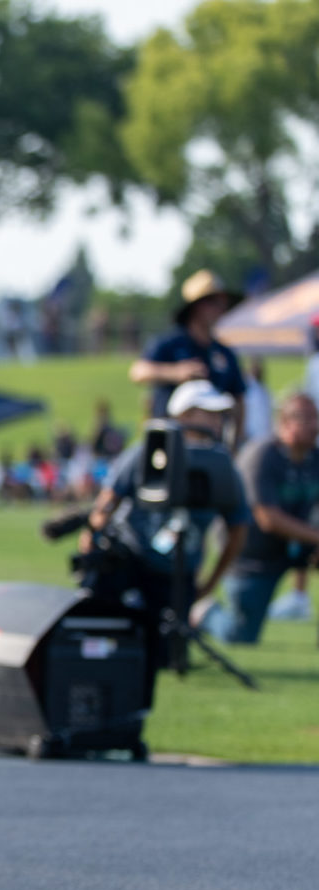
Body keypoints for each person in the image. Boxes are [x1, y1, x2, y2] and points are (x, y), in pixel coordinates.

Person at [81, 379, 251, 670]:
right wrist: (90, 543)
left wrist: (210, 582)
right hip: (132, 556)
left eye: (219, 414)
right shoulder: (145, 451)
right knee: (102, 627)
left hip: (178, 572)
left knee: (164, 657)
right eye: (208, 413)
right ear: (183, 415)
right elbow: (107, 503)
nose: (216, 421)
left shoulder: (221, 465)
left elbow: (238, 527)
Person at [199, 393, 319, 644]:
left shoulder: (315, 458)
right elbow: (267, 518)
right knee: (240, 635)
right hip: (252, 556)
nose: (315, 425)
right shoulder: (262, 455)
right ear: (285, 423)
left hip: (294, 548)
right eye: (306, 418)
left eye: (315, 417)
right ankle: (204, 612)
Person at [130, 269, 247, 446]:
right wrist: (175, 372)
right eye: (213, 302)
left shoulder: (224, 353)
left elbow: (239, 399)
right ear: (197, 306)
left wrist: (235, 441)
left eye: (222, 302)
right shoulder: (171, 344)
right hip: (167, 438)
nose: (220, 308)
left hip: (211, 442)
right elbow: (138, 372)